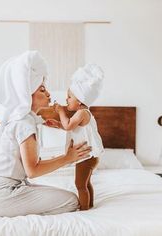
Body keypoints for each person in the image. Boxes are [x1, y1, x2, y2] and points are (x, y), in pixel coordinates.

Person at [0, 51, 92, 217]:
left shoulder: (19, 120)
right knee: (72, 200)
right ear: (27, 94)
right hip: (1, 194)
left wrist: (66, 157)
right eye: (42, 89)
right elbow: (33, 170)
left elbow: (30, 166)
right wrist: (68, 158)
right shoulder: (24, 124)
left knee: (57, 195)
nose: (48, 93)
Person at [46, 64, 104, 210]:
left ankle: (84, 209)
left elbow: (69, 126)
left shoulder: (82, 113)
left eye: (69, 97)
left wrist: (60, 111)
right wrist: (58, 125)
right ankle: (89, 205)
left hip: (86, 156)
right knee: (85, 183)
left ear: (79, 100)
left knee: (79, 184)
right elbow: (71, 127)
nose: (66, 99)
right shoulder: (83, 114)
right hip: (88, 156)